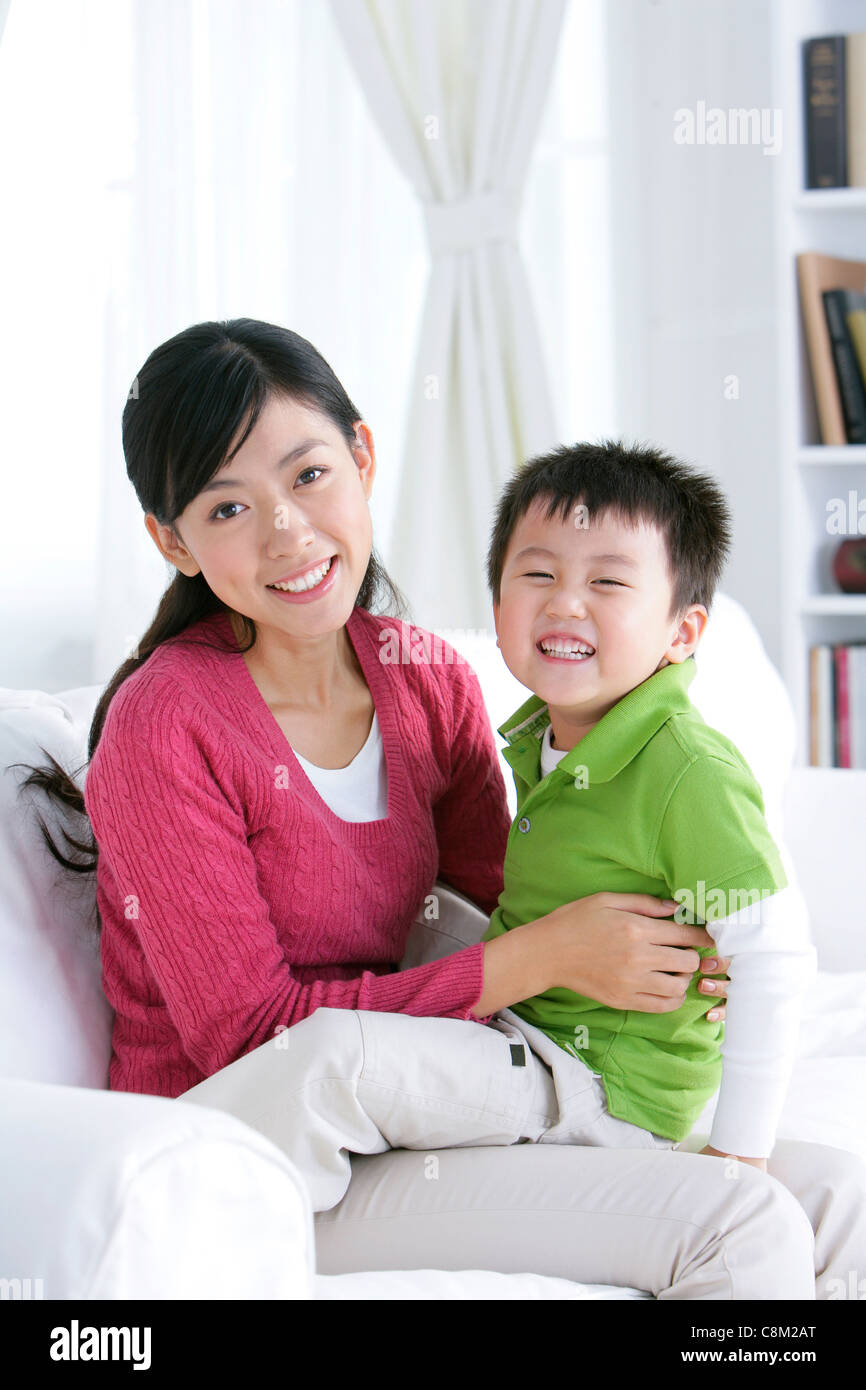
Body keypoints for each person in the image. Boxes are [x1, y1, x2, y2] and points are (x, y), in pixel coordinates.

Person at [19, 318, 864, 1298]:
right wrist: (545, 954)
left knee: (838, 1193)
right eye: (225, 508)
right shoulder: (166, 723)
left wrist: (668, 953)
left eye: (307, 475)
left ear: (362, 456)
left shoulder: (424, 682)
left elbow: (498, 910)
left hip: (431, 1102)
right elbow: (254, 1043)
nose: (287, 532)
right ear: (172, 540)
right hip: (266, 1155)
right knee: (735, 1219)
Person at [481, 440, 816, 1173]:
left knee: (349, 1063)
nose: (565, 601)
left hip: (609, 1088)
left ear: (681, 633)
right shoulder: (539, 740)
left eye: (608, 582)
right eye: (538, 573)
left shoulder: (683, 767)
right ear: (498, 604)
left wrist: (738, 1157)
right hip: (527, 1039)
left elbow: (774, 953)